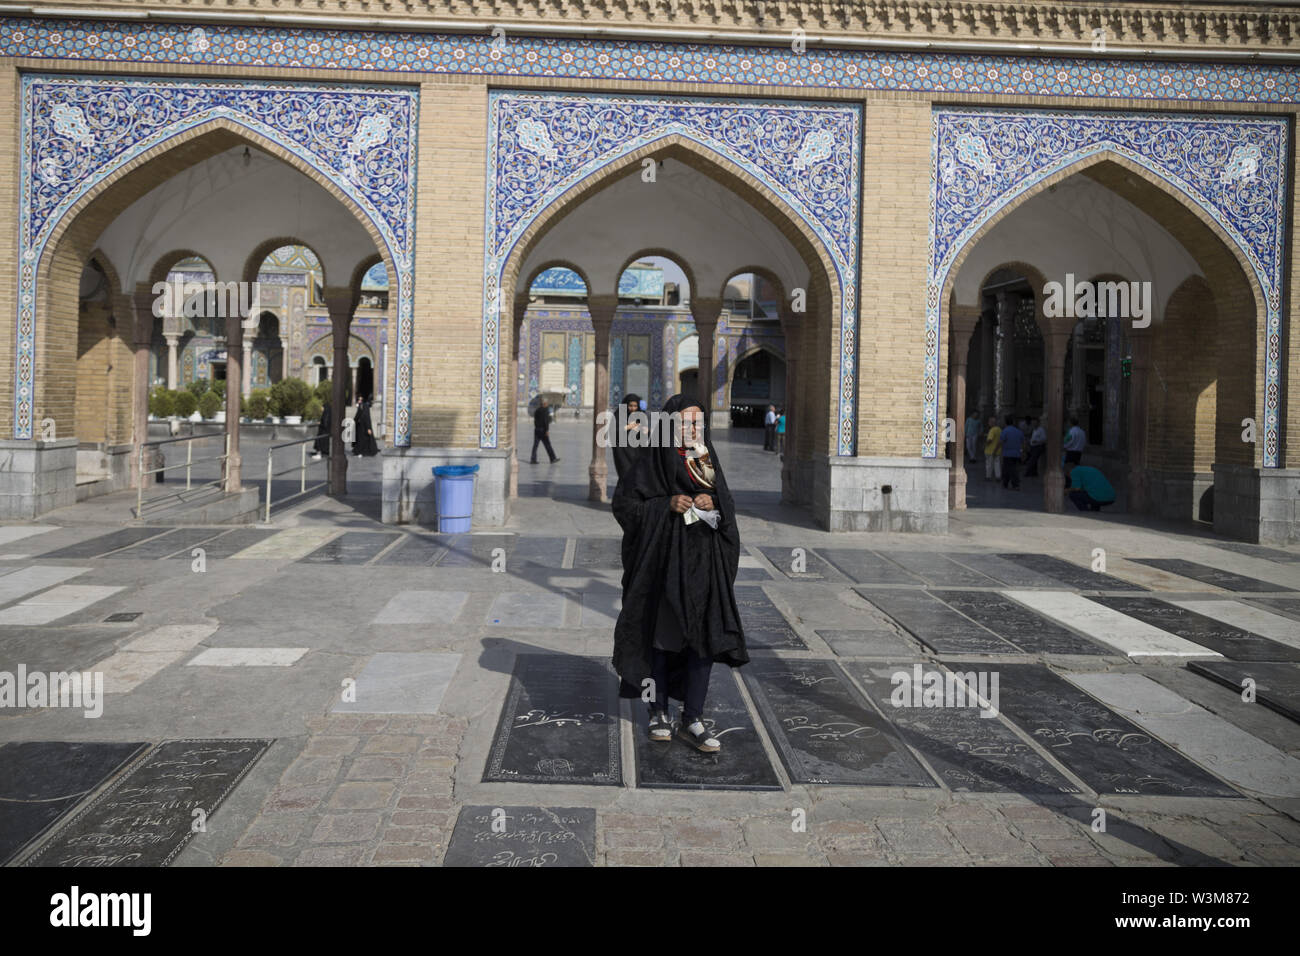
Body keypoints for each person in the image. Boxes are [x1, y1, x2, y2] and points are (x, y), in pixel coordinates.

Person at [611, 393, 749, 753]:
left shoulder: (706, 456)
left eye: (698, 422)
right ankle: (658, 711)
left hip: (704, 564)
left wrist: (713, 502)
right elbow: (625, 504)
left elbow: (727, 504)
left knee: (702, 639)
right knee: (662, 638)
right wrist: (665, 505)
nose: (692, 428)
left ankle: (694, 717)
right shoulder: (654, 457)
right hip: (664, 562)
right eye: (686, 422)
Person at [611, 393, 647, 487]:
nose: (633, 408)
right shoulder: (619, 415)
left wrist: (646, 431)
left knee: (637, 475)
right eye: (630, 406)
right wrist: (629, 427)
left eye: (635, 406)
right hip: (622, 450)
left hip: (636, 451)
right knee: (625, 473)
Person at [530, 395, 559, 464]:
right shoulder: (545, 410)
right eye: (547, 403)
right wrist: (547, 430)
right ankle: (553, 458)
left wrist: (537, 427)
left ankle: (533, 459)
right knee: (547, 444)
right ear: (545, 403)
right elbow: (546, 421)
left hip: (537, 430)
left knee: (535, 445)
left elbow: (535, 420)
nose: (547, 404)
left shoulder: (537, 410)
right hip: (543, 430)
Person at [999, 415, 1023, 491]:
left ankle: (1015, 484)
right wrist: (1023, 452)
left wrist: (997, 451)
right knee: (1013, 468)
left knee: (1009, 469)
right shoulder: (1018, 431)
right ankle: (1006, 483)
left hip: (1007, 454)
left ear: (1005, 422)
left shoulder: (1005, 431)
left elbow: (1001, 442)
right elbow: (1023, 442)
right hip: (1017, 454)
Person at [983, 416, 1002, 481]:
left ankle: (988, 476)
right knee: (997, 464)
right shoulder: (999, 429)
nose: (988, 423)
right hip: (998, 450)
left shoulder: (992, 430)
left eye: (989, 422)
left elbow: (990, 440)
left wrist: (985, 444)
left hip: (990, 450)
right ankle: (998, 476)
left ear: (991, 423)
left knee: (989, 464)